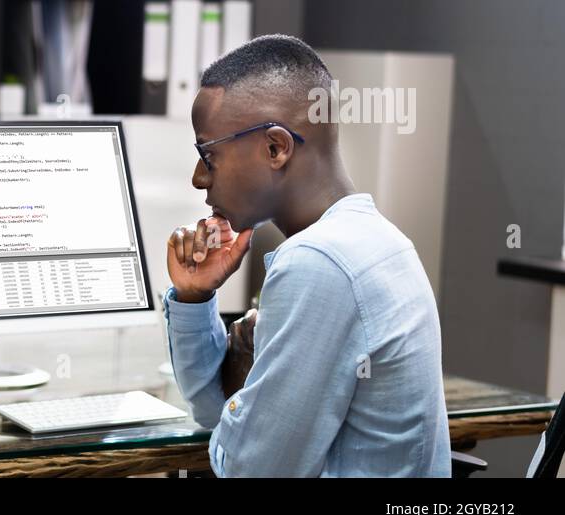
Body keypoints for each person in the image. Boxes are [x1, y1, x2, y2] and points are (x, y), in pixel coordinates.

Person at [163, 34, 451, 477]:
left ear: (275, 148)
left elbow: (250, 470)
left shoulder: (320, 263)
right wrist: (194, 299)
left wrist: (245, 375)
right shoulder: (380, 240)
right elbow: (212, 415)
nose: (199, 178)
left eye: (208, 155)